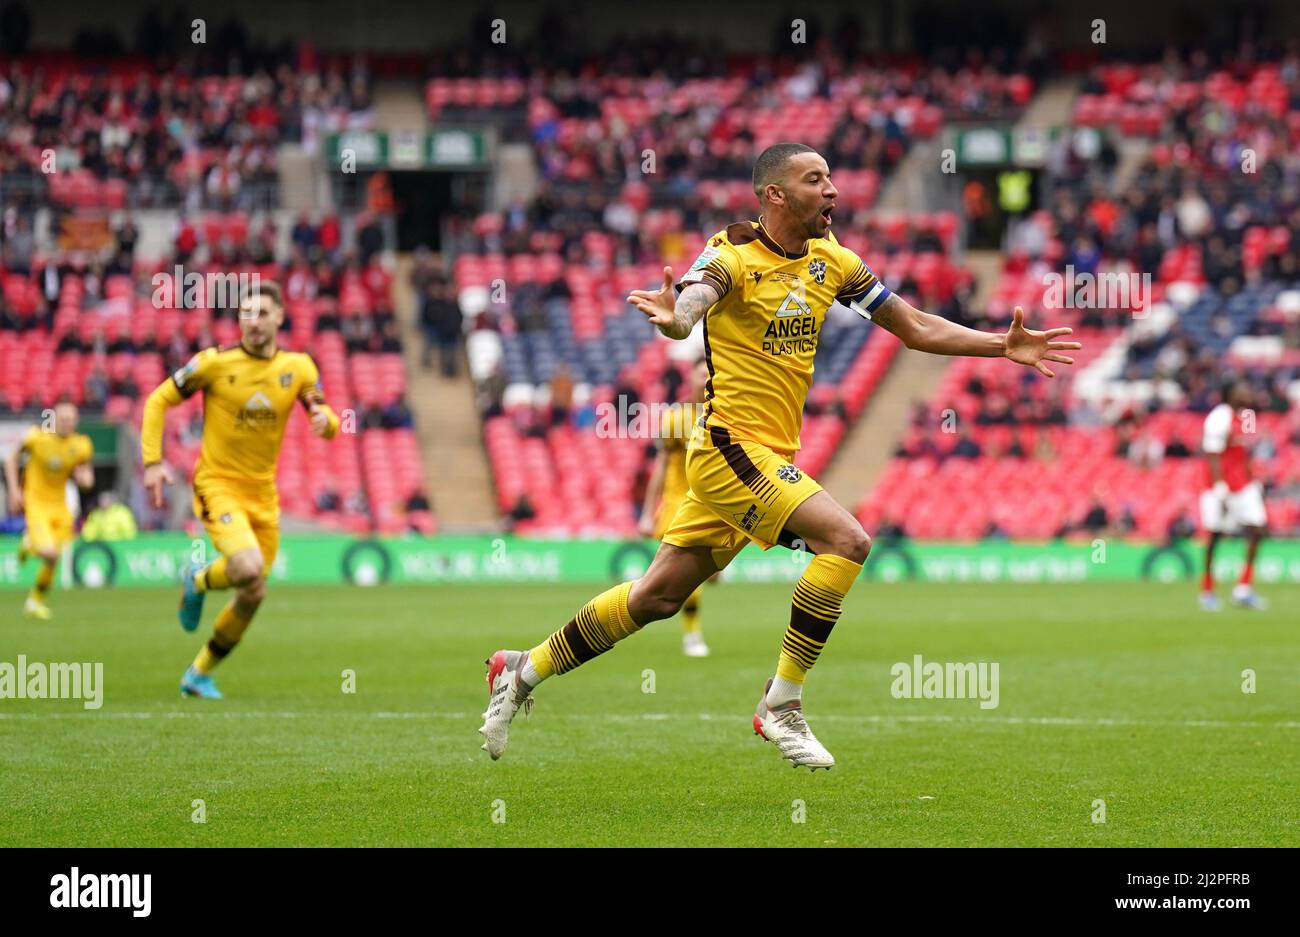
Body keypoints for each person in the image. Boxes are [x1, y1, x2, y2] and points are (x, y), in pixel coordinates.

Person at [479, 143, 1081, 770]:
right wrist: (675, 319)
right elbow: (691, 307)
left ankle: (521, 669)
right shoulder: (730, 254)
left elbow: (916, 327)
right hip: (726, 446)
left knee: (656, 599)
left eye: (831, 177)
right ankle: (781, 704)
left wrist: (999, 346)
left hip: (763, 454)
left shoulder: (834, 260)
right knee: (846, 541)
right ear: (774, 195)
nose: (832, 191)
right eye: (814, 179)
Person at [140, 281, 341, 699]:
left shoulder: (299, 367)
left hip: (263, 496)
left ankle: (197, 674)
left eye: (262, 312)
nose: (253, 320)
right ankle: (197, 580)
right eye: (246, 313)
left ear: (279, 317)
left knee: (253, 591)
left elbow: (321, 410)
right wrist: (154, 463)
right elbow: (158, 400)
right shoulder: (213, 364)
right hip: (218, 485)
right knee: (247, 568)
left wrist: (327, 421)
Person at [638, 358, 713, 657]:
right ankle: (692, 635)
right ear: (690, 379)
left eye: (711, 374)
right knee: (685, 571)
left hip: (710, 503)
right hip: (676, 504)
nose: (706, 380)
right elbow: (660, 467)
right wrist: (647, 513)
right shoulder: (675, 419)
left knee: (703, 573)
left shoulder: (723, 415)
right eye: (701, 374)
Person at [4, 400, 94, 619]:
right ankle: (29, 542)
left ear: (76, 421)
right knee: (49, 552)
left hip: (61, 507)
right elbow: (10, 458)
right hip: (36, 503)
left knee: (53, 558)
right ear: (53, 419)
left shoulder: (81, 444)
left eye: (70, 419)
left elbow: (87, 477)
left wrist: (84, 480)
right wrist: (14, 490)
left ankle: (34, 601)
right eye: (62, 419)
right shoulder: (37, 437)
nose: (66, 423)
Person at [1199, 379, 1268, 611]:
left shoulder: (1247, 416)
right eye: (1242, 390)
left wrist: (1253, 479)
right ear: (1230, 394)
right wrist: (1219, 486)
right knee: (1215, 535)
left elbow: (1244, 450)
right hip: (1220, 486)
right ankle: (1207, 589)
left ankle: (1243, 589)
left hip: (1244, 485)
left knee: (1258, 529)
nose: (1247, 393)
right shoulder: (1219, 418)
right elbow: (1213, 454)